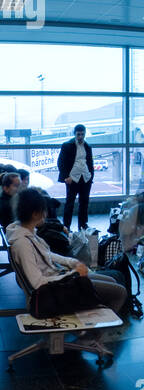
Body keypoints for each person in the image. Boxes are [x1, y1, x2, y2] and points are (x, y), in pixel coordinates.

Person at [9, 186, 131, 317]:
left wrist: (72, 263)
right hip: (55, 290)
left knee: (111, 281)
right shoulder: (23, 243)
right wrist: (73, 274)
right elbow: (37, 282)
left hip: (59, 281)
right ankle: (94, 335)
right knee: (120, 293)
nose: (46, 213)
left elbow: (46, 255)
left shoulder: (27, 233)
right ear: (35, 213)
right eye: (44, 210)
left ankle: (94, 328)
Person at [58, 124, 98, 230]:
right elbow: (61, 162)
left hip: (85, 177)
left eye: (82, 134)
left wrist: (91, 177)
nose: (80, 136)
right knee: (69, 203)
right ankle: (66, 226)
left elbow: (90, 162)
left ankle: (83, 224)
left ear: (85, 134)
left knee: (84, 202)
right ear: (74, 134)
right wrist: (66, 177)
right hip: (72, 178)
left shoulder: (87, 146)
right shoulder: (67, 145)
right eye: (78, 134)